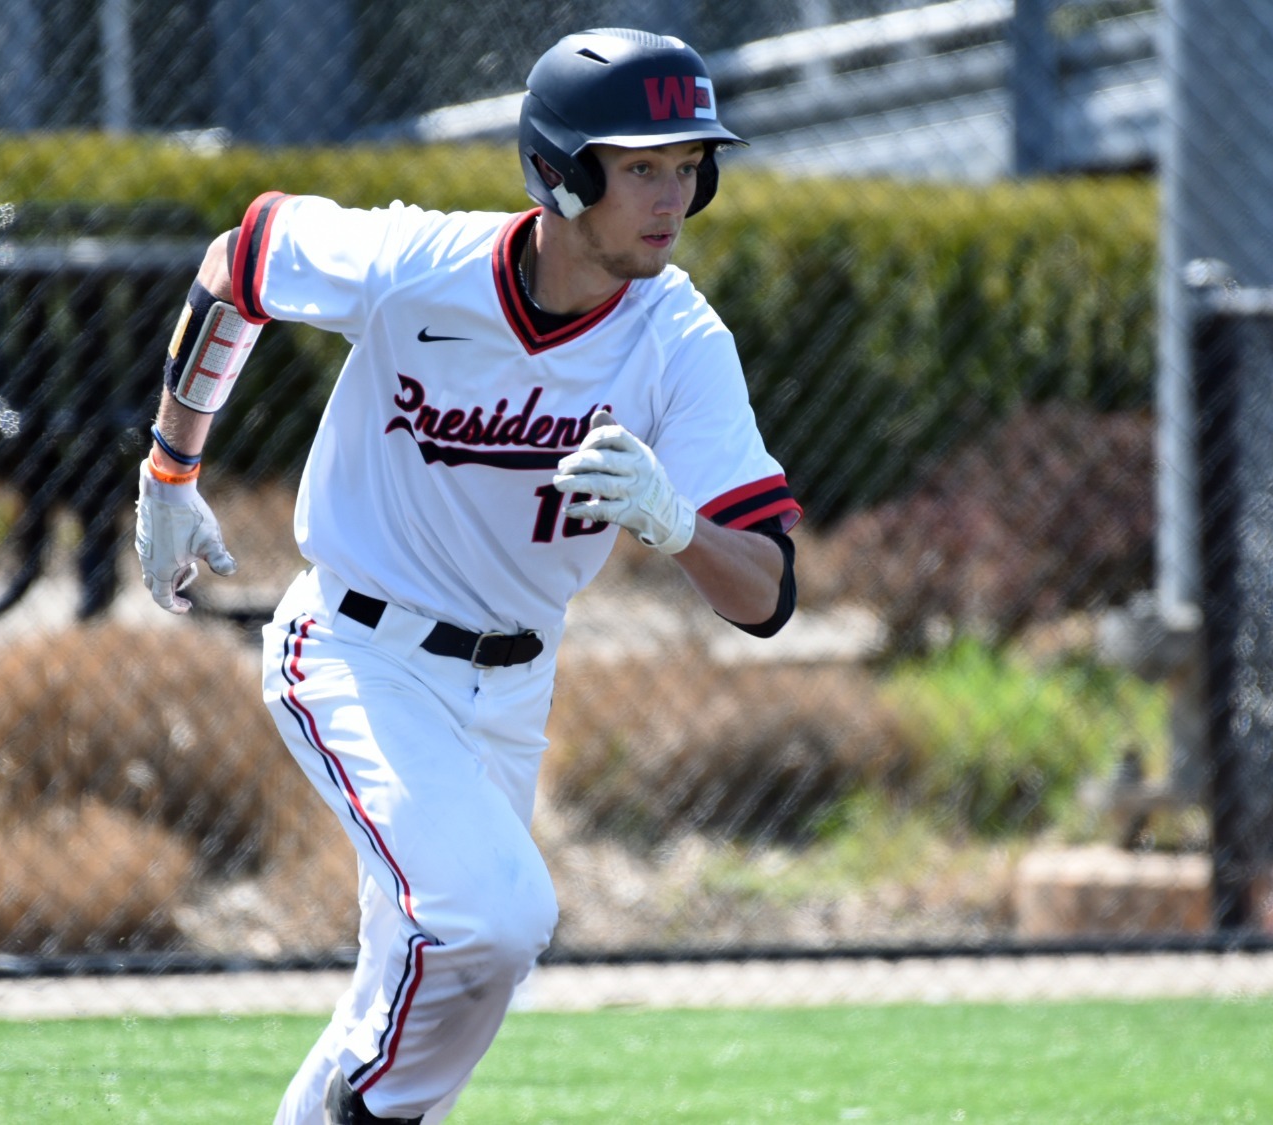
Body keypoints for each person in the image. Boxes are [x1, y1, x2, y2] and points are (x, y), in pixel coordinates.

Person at [133, 28, 802, 1125]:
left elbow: (767, 591)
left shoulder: (680, 339)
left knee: (430, 975)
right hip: (354, 648)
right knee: (489, 923)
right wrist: (170, 464)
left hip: (513, 690)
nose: (670, 195)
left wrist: (675, 525)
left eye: (688, 167)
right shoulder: (420, 264)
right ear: (558, 169)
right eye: (639, 166)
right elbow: (241, 259)